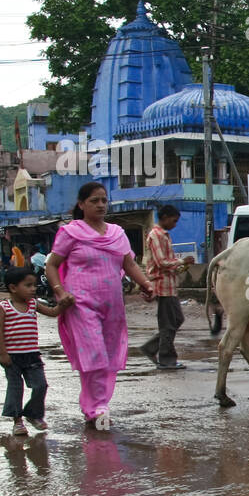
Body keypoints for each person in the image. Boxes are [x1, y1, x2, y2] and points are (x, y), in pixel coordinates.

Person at [46, 181, 157, 428]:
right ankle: (98, 407)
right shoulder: (70, 232)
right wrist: (60, 291)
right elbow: (51, 265)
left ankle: (94, 404)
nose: (100, 205)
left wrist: (145, 284)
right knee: (94, 353)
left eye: (104, 200)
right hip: (80, 303)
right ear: (81, 204)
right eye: (94, 200)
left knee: (108, 356)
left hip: (112, 304)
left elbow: (128, 264)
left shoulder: (117, 233)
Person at [0, 266, 67, 435]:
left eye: (34, 285)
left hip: (32, 355)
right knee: (15, 388)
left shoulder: (33, 304)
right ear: (13, 288)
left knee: (41, 385)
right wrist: (3, 353)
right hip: (12, 357)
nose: (33, 289)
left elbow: (52, 312)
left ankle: (33, 414)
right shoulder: (4, 307)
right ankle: (17, 421)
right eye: (28, 285)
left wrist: (63, 305)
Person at [140, 205, 196, 370]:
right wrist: (181, 261)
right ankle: (166, 359)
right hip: (162, 285)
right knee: (169, 324)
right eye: (174, 221)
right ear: (164, 217)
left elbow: (168, 265)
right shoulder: (156, 235)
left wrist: (182, 266)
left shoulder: (164, 235)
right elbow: (161, 262)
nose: (175, 224)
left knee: (176, 320)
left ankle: (151, 348)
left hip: (169, 285)